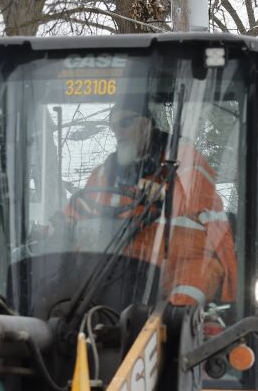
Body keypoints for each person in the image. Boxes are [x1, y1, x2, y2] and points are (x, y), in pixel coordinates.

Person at [73, 101, 237, 311]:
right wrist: (60, 226)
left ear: (146, 124)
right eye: (112, 126)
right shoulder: (105, 172)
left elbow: (198, 197)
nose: (117, 131)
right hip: (123, 268)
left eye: (124, 123)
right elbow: (81, 208)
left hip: (185, 262)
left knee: (177, 316)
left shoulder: (184, 158)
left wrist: (166, 195)